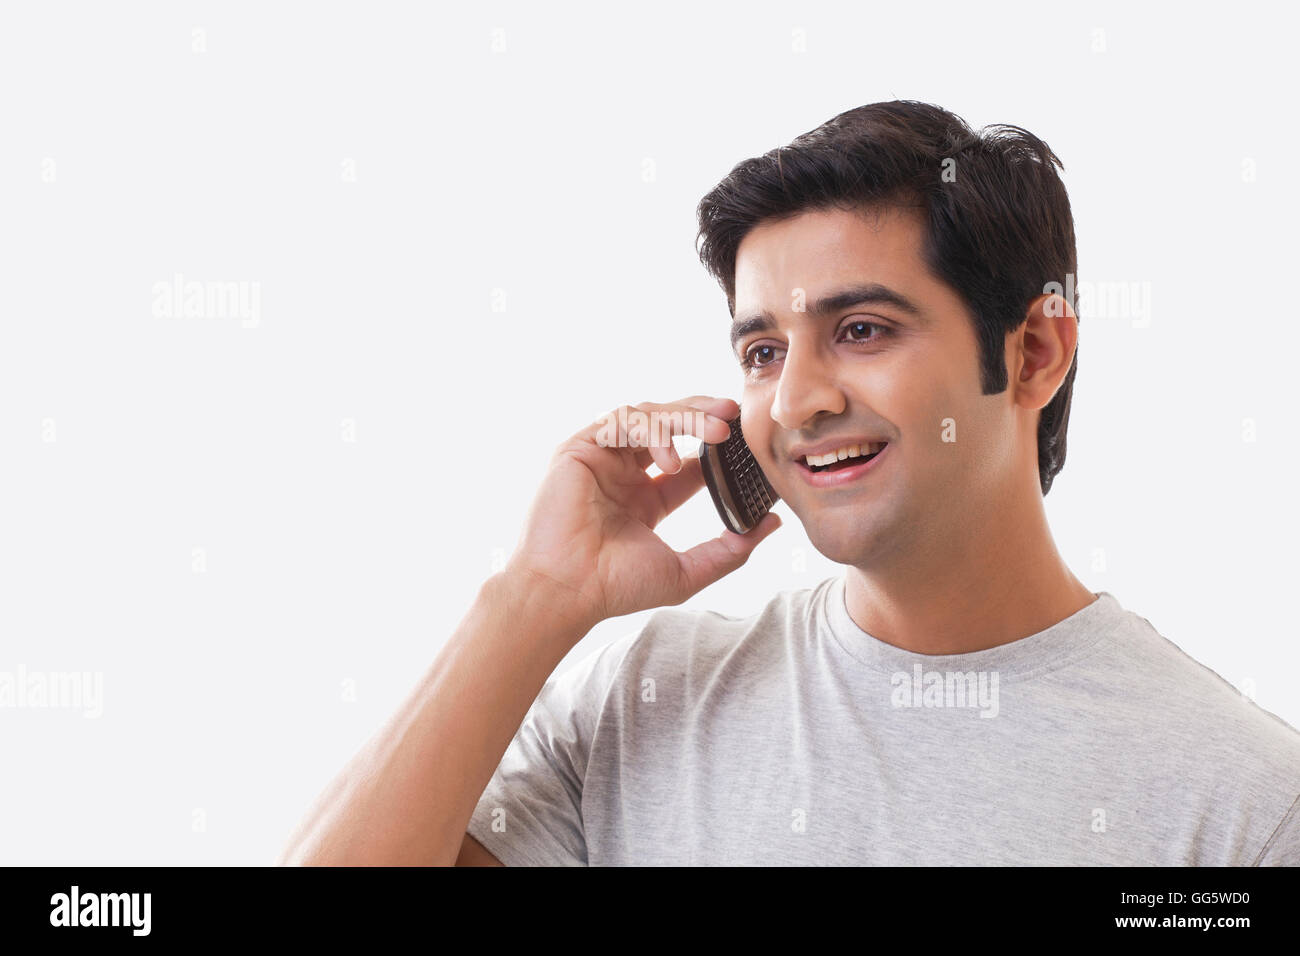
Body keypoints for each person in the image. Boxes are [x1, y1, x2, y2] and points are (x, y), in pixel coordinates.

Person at [277, 100, 1300, 866]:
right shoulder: (644, 699)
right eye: (762, 350)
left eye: (860, 331)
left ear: (1032, 351)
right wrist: (531, 601)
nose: (796, 401)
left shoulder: (1238, 800)